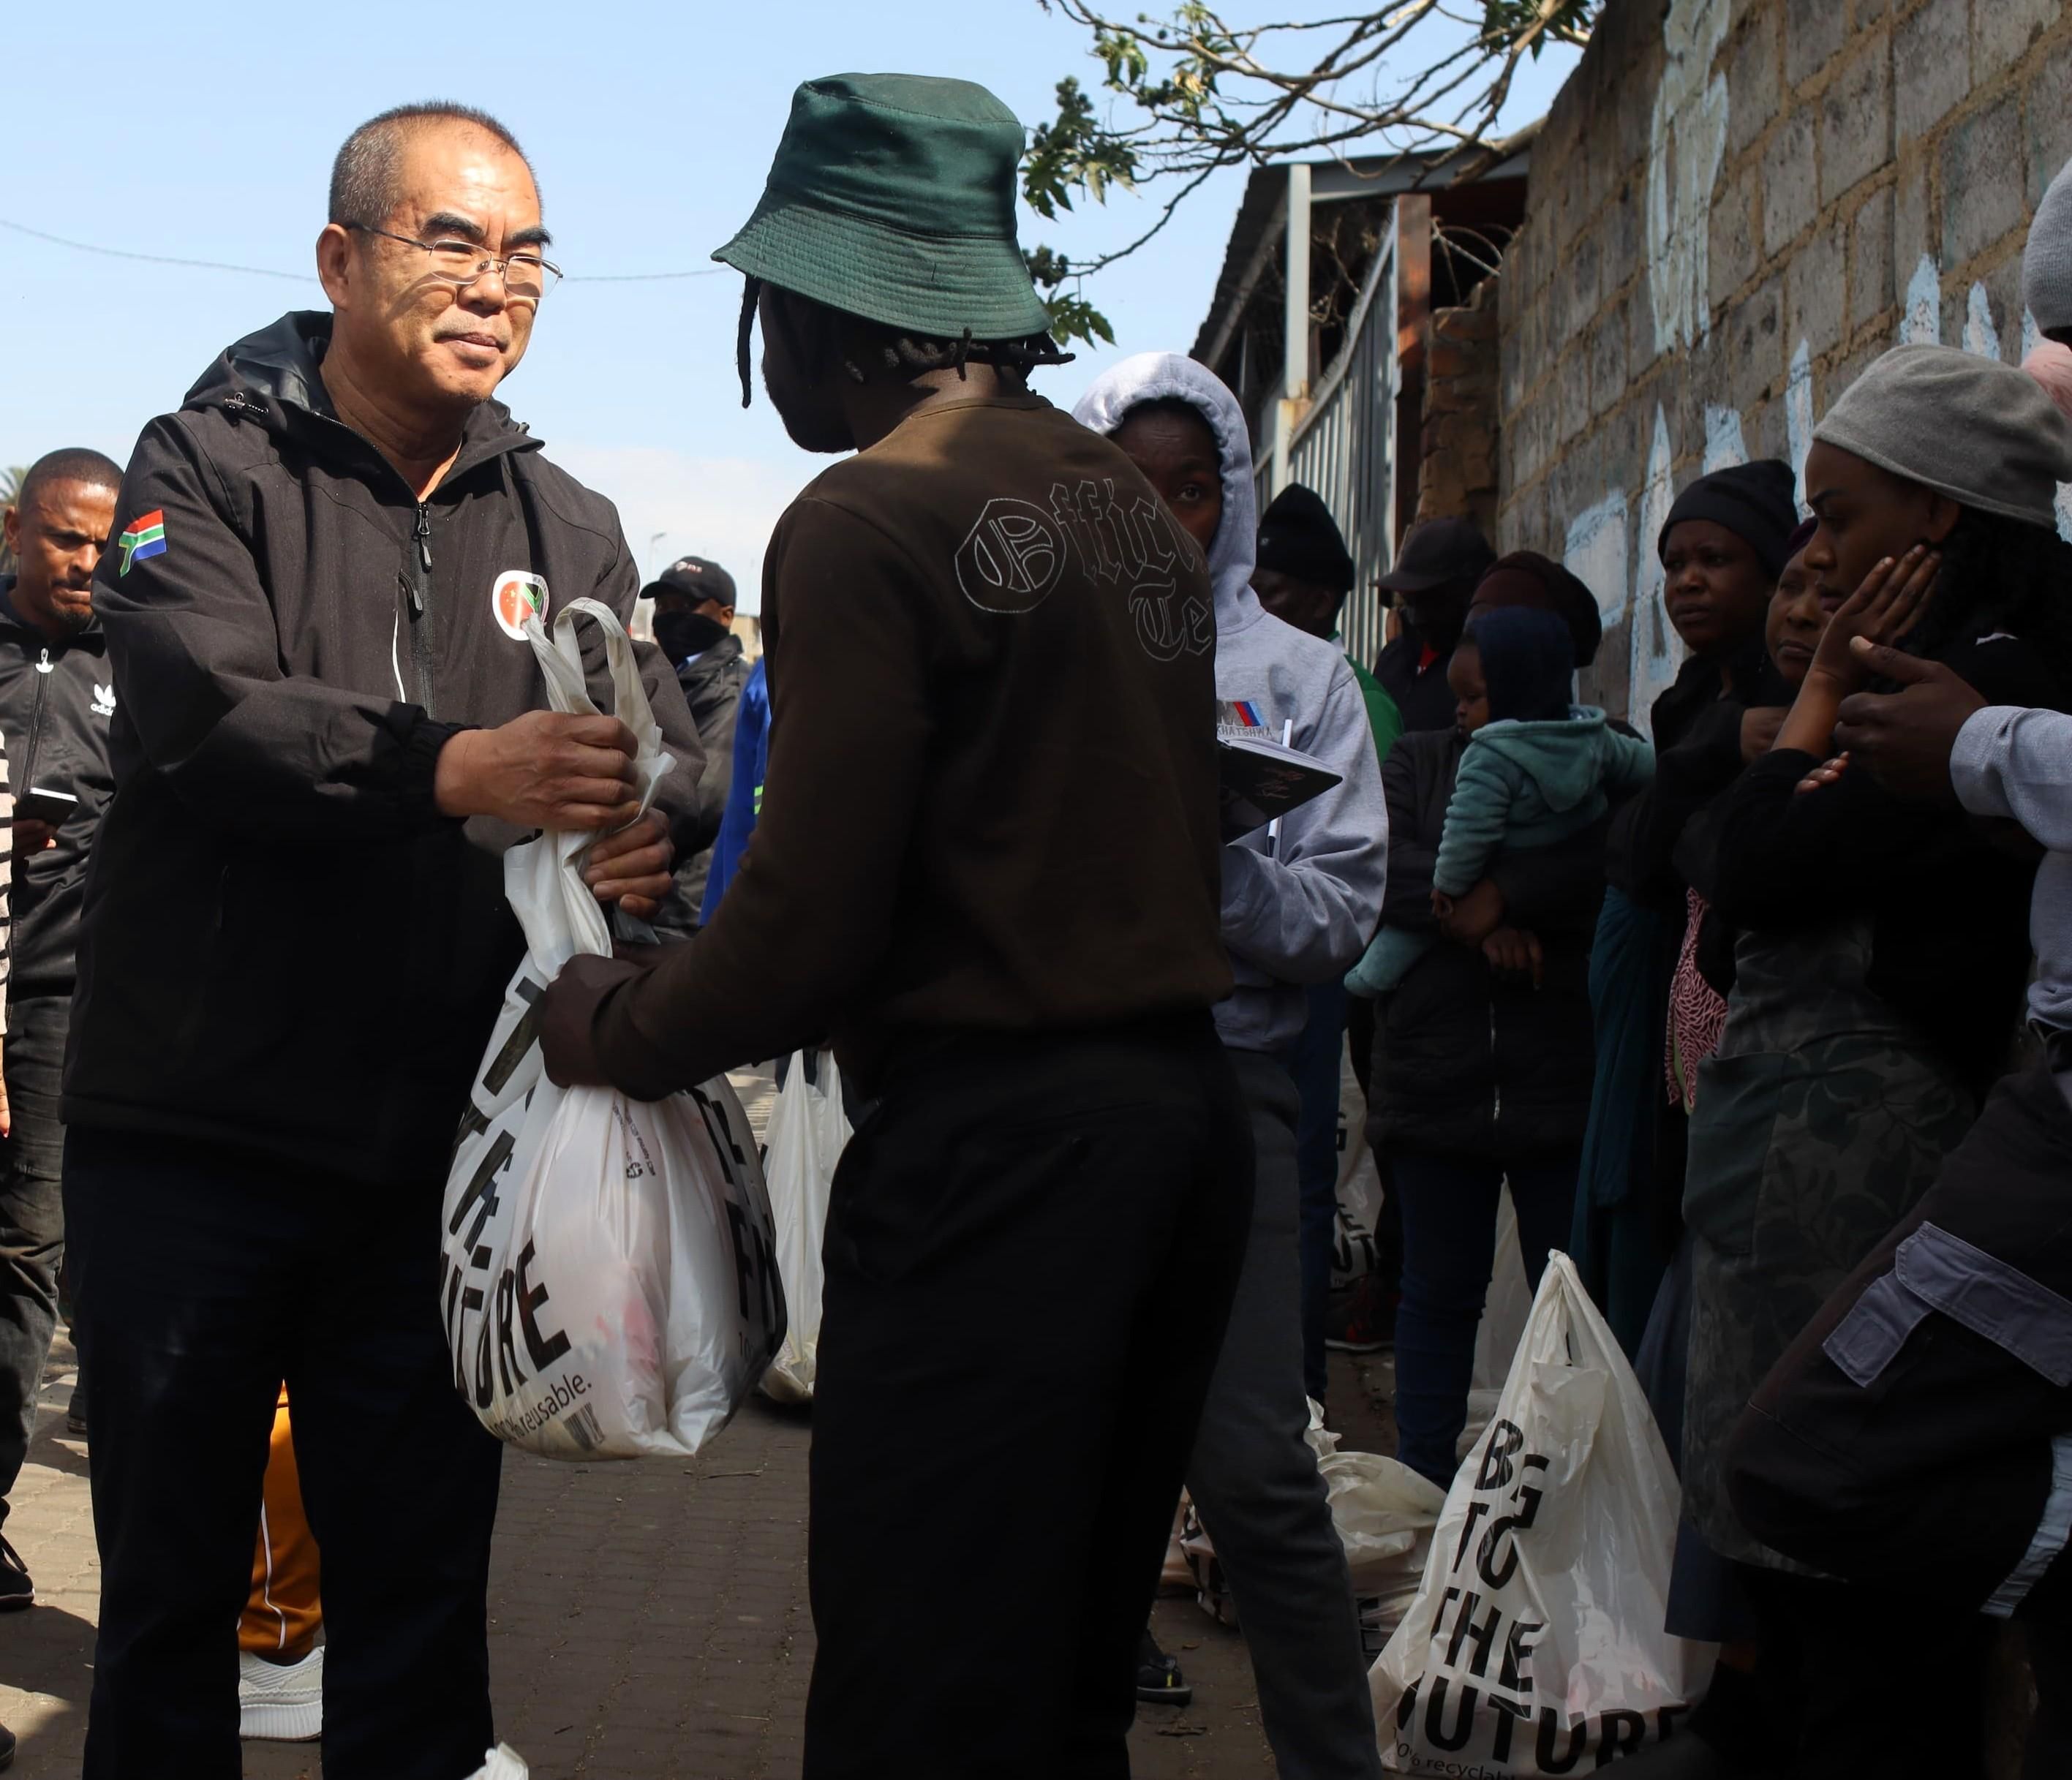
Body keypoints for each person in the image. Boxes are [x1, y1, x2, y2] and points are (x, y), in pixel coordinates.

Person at [537, 75, 1248, 1779]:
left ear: (821, 308)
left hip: (999, 1161)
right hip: (1176, 1134)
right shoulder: (1114, 500)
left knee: (919, 1694)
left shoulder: (863, 517)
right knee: (1061, 1686)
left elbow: (807, 915)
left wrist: (612, 1022)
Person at [66, 102, 704, 1780]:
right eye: (452, 241)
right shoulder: (201, 467)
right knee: (169, 1611)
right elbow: (198, 709)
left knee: (418, 1615)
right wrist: (455, 766)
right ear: (341, 260)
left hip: (440, 1160)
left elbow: (657, 735)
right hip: (190, 1143)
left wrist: (639, 820)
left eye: (527, 254)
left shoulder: (566, 520)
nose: (496, 284)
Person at [1673, 343, 2072, 1779]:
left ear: (1939, 513)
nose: (1818, 553)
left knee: (1847, 1589)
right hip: (1797, 1189)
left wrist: (1822, 699)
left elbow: (1746, 865)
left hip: (1874, 1177)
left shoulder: (1972, 692)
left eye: (1839, 516)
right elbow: (1718, 874)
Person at [1075, 355, 1387, 1779]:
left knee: (1254, 1463)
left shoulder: (1299, 676)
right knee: (1066, 1457)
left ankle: (1332, 1757)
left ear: (1232, 502)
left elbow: (1338, 915)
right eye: (1127, 487)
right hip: (1061, 1095)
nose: (1161, 517)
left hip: (1232, 1097)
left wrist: (1208, 864)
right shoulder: (1029, 655)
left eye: (1191, 490)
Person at [1356, 564, 1622, 1488]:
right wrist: (1478, 921)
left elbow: (1608, 863)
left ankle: (1555, 1494)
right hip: (1437, 1072)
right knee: (1436, 1295)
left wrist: (1505, 891)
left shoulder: (1601, 755)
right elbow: (1382, 867)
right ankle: (1424, 1489)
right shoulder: (1419, 760)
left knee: (1567, 1304)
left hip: (1557, 1077)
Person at [1571, 461, 1799, 1354]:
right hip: (1655, 1004)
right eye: (1674, 564)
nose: (1687, 582)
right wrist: (1710, 748)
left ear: (1773, 578)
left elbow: (1707, 853)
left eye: (1716, 560)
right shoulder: (1697, 703)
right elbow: (1637, 850)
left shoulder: (1784, 706)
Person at [0, 448, 119, 1605]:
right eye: (64, 538)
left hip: (59, 1001)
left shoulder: (141, 657)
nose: (85, 561)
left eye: (102, 542)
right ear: (15, 529)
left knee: (26, 1253)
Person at [1252, 480, 1401, 1403]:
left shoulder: (1349, 699)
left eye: (1272, 590)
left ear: (1317, 600)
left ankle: (1297, 1393)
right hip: (1241, 967)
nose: (1255, 604)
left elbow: (1358, 870)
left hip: (1304, 976)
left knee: (1297, 1189)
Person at [1348, 606, 1651, 996]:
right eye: (1458, 697)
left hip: (1557, 1000)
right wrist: (1484, 915)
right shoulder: (1592, 739)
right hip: (1438, 1016)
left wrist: (1462, 889)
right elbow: (1375, 858)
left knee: (1397, 946)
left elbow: (1467, 833)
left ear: (1518, 689)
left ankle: (1370, 978)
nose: (1458, 709)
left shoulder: (1489, 757)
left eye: (1472, 698)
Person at [647, 554, 749, 914]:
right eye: (663, 606)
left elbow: (699, 799)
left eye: (686, 606)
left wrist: (614, 836)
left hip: (687, 901)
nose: (669, 616)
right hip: (651, 888)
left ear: (726, 615)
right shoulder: (665, 677)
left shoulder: (731, 691)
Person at [1371, 516, 1496, 734]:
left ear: (1470, 593)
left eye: (1432, 601)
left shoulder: (1487, 671)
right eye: (1410, 602)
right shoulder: (1392, 659)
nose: (1417, 618)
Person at [697, 650, 767, 923]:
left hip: (753, 921)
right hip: (743, 918)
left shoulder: (769, 674)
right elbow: (741, 811)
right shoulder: (765, 676)